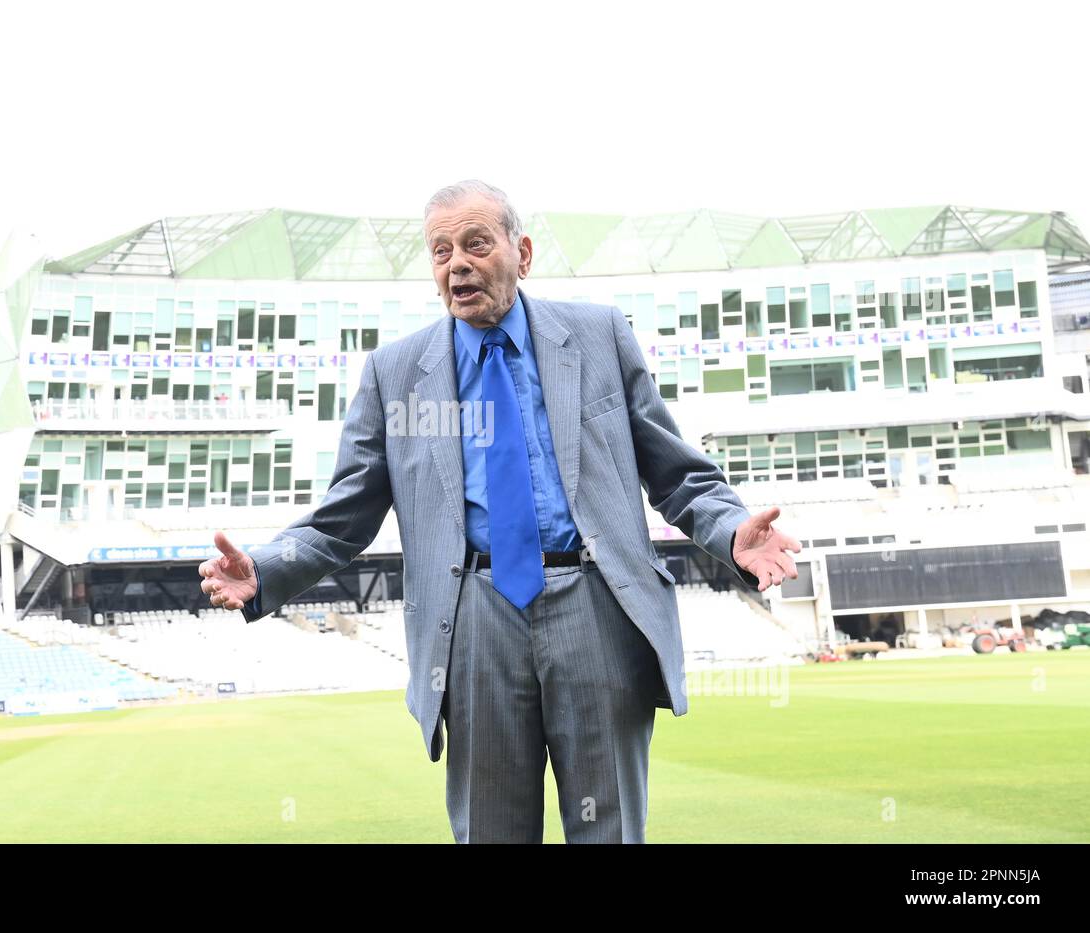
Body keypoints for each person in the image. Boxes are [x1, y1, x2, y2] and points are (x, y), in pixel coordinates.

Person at [199, 180, 801, 843]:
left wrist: (727, 529)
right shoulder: (395, 375)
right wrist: (265, 567)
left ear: (523, 251)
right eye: (440, 250)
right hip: (474, 623)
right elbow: (342, 518)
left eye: (476, 243)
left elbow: (674, 468)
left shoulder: (599, 336)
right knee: (493, 833)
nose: (456, 263)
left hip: (596, 608)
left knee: (611, 830)